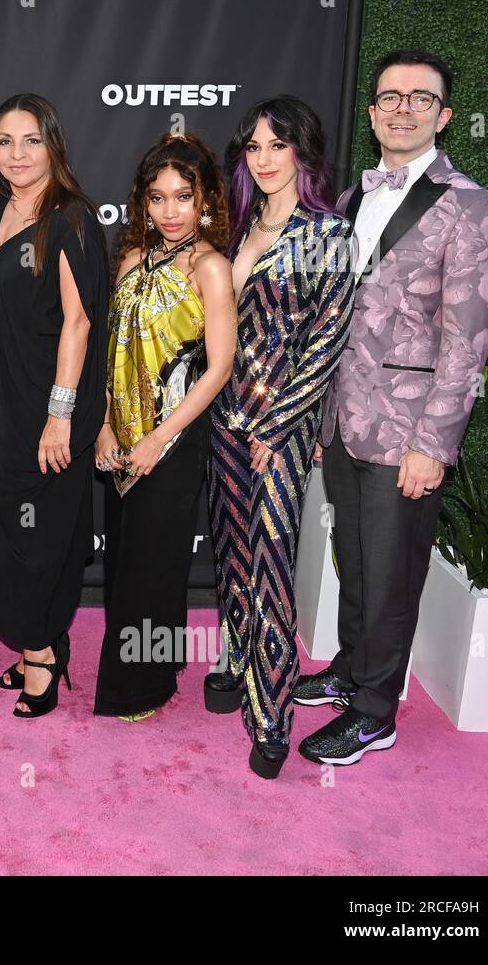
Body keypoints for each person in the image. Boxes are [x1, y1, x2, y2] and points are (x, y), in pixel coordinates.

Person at [296, 50, 488, 766]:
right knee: (356, 564)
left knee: (391, 575)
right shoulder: (354, 199)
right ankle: (353, 670)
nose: (403, 108)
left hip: (409, 431)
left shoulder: (471, 207)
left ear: (445, 116)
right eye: (390, 97)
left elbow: (467, 341)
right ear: (373, 111)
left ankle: (375, 712)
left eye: (421, 98)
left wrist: (434, 444)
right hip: (344, 419)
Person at [204, 95, 355, 778]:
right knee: (232, 551)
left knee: (269, 565)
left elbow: (326, 343)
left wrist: (279, 424)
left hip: (278, 429)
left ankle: (271, 717)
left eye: (277, 146)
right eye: (254, 148)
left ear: (304, 152)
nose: (264, 160)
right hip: (221, 417)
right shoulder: (235, 229)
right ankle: (237, 658)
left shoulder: (329, 235)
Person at [0, 93, 107, 717]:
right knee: (3, 530)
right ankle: (32, 645)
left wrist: (60, 414)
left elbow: (78, 323)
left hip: (46, 405)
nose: (17, 154)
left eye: (30, 140)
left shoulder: (69, 218)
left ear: (53, 146)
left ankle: (44, 656)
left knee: (40, 537)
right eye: (4, 142)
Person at [93, 134, 235, 721]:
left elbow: (220, 366)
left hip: (175, 437)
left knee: (155, 563)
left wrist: (158, 438)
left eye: (183, 197)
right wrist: (105, 426)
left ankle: (140, 689)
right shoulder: (128, 260)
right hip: (122, 434)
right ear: (142, 202)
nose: (170, 211)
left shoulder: (211, 267)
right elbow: (114, 352)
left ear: (204, 200)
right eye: (158, 198)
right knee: (127, 560)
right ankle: (162, 658)